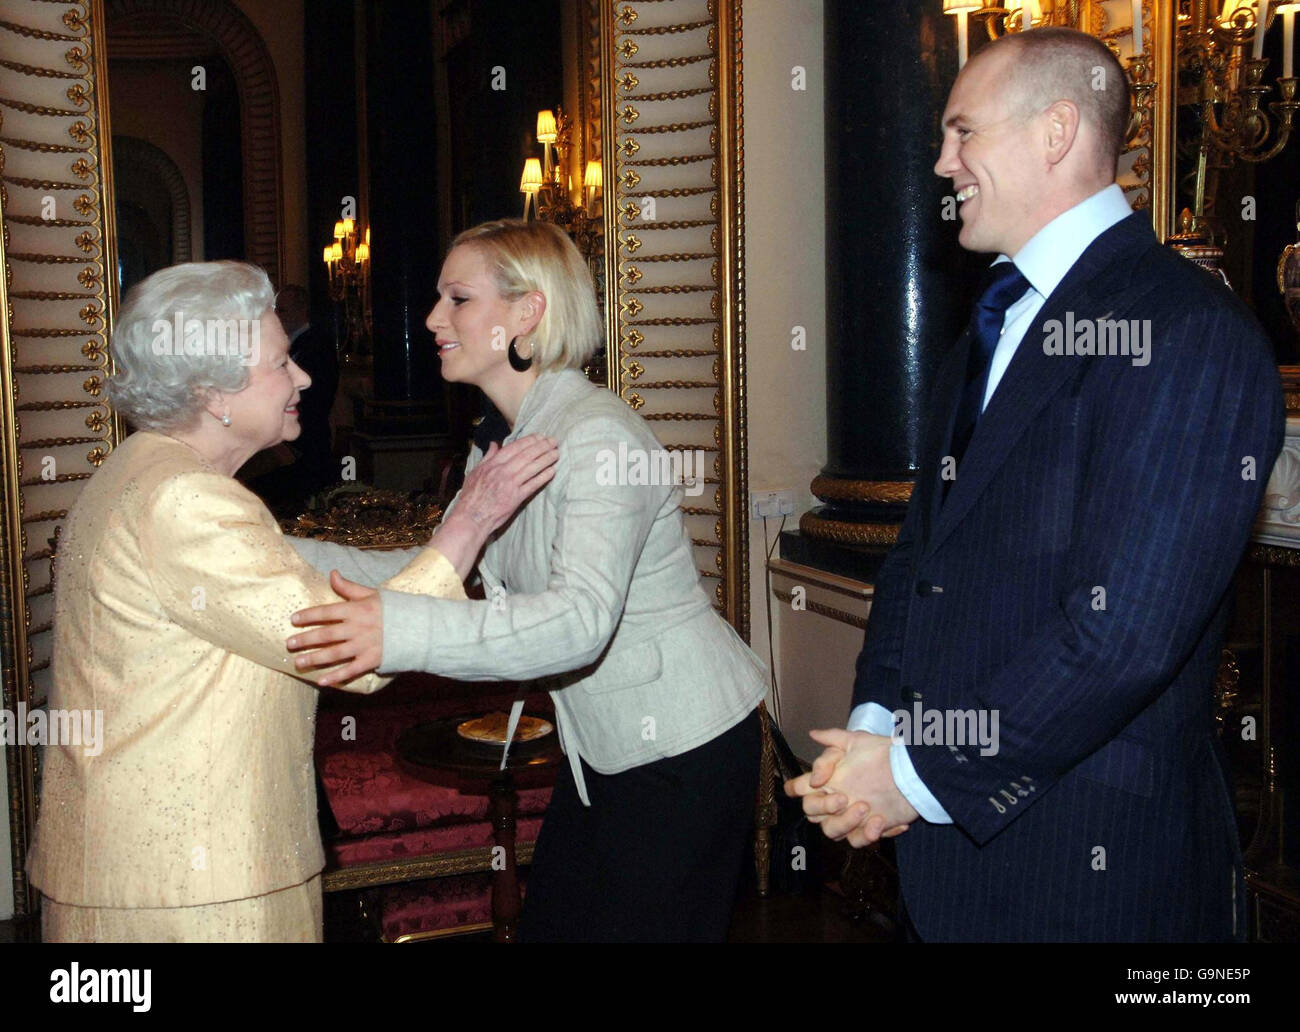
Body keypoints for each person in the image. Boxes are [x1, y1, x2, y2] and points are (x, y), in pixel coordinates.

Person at [786, 27, 1285, 942]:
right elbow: (918, 565)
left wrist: (914, 775)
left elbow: (1124, 633)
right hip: (955, 858)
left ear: (1056, 131)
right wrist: (879, 724)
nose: (941, 164)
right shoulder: (991, 323)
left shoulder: (1185, 330)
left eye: (962, 133)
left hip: (1093, 869)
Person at [26, 260, 557, 943]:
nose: (303, 378)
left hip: (142, 878)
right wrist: (468, 524)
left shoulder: (142, 473)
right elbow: (347, 647)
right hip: (196, 892)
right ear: (212, 389)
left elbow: (317, 585)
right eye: (281, 362)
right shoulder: (184, 500)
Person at [286, 219, 768, 942]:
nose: (431, 319)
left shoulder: (598, 435)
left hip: (682, 748)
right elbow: (437, 564)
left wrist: (401, 631)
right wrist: (275, 551)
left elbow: (580, 622)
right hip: (600, 750)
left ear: (527, 312)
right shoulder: (504, 445)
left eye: (457, 298)